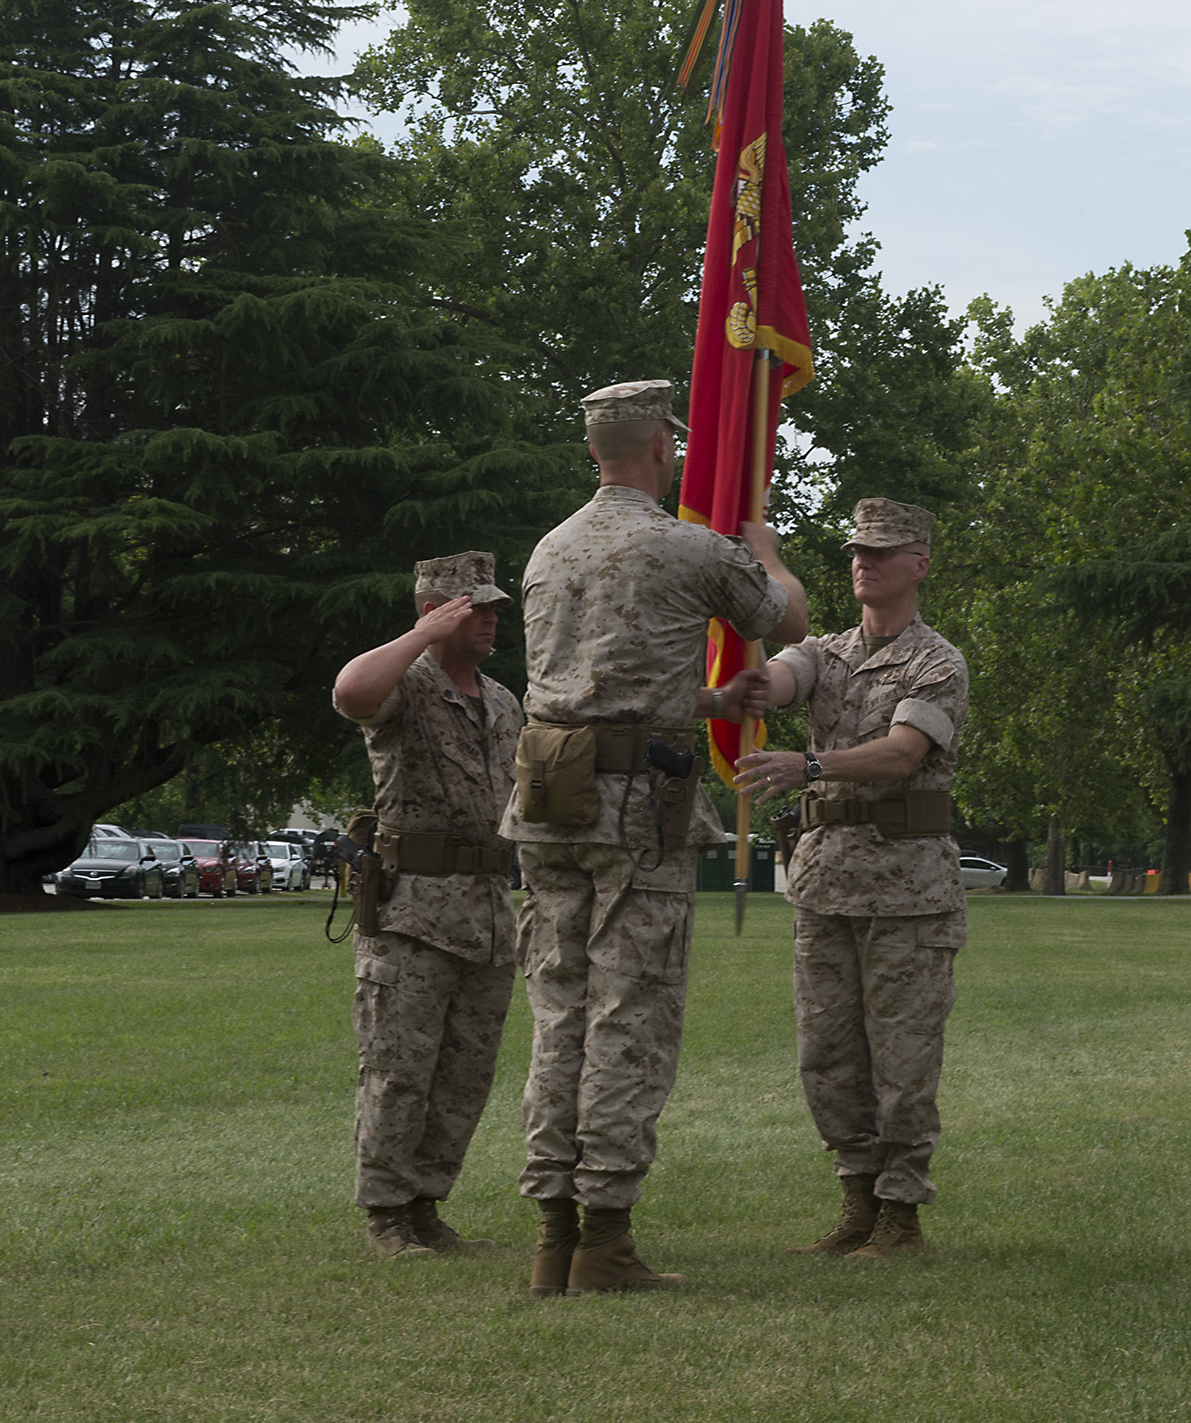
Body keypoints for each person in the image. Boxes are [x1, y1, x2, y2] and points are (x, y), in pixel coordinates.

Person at [501, 378, 808, 1297]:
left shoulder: (549, 549)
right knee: (629, 1015)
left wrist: (703, 702)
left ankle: (552, 1236)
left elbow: (590, 685)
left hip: (551, 797)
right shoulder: (685, 546)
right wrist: (770, 554)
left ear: (595, 450)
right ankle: (605, 1241)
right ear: (662, 444)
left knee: (557, 1011)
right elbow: (785, 621)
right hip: (637, 810)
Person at [736, 498, 969, 1261]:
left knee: (902, 1058)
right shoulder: (825, 651)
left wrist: (809, 764)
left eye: (882, 551)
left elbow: (902, 753)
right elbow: (773, 678)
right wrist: (756, 584)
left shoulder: (937, 661)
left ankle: (901, 1213)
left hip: (908, 891)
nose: (863, 562)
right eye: (856, 552)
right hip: (825, 883)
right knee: (828, 1055)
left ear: (919, 564)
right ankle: (857, 1201)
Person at [329, 551, 523, 1259]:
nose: (492, 620)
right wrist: (420, 633)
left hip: (487, 914)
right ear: (437, 611)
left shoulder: (502, 700)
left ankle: (426, 1204)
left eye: (496, 607)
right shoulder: (404, 686)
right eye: (477, 609)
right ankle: (385, 1214)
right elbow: (351, 691)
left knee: (463, 1074)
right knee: (398, 1069)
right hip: (413, 913)